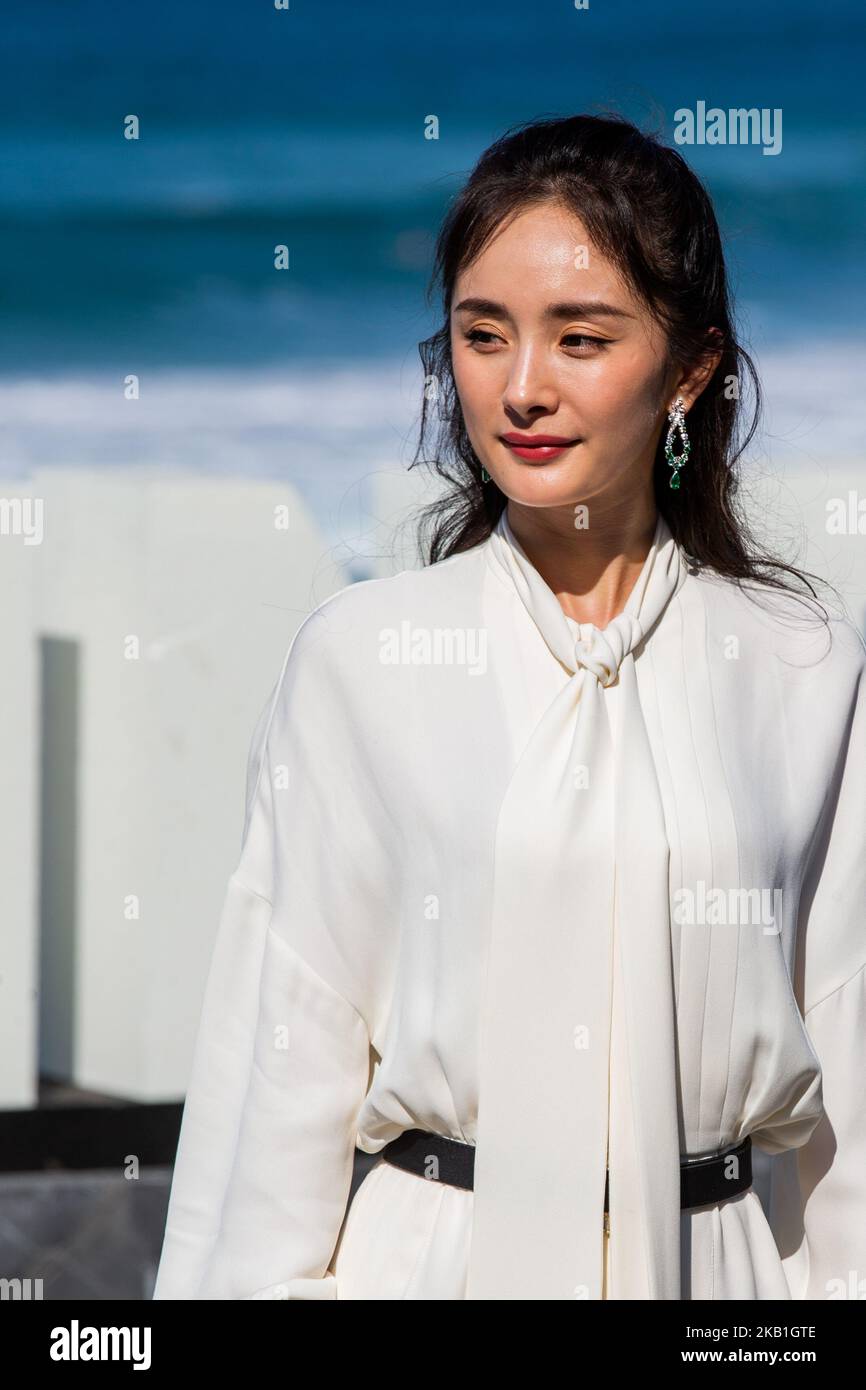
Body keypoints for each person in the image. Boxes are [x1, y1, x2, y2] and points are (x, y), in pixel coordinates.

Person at [153, 113, 866, 1301]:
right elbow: (274, 1068)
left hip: (729, 1278)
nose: (521, 388)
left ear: (688, 368)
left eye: (579, 337)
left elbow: (845, 1064)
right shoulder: (361, 661)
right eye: (482, 336)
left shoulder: (801, 664)